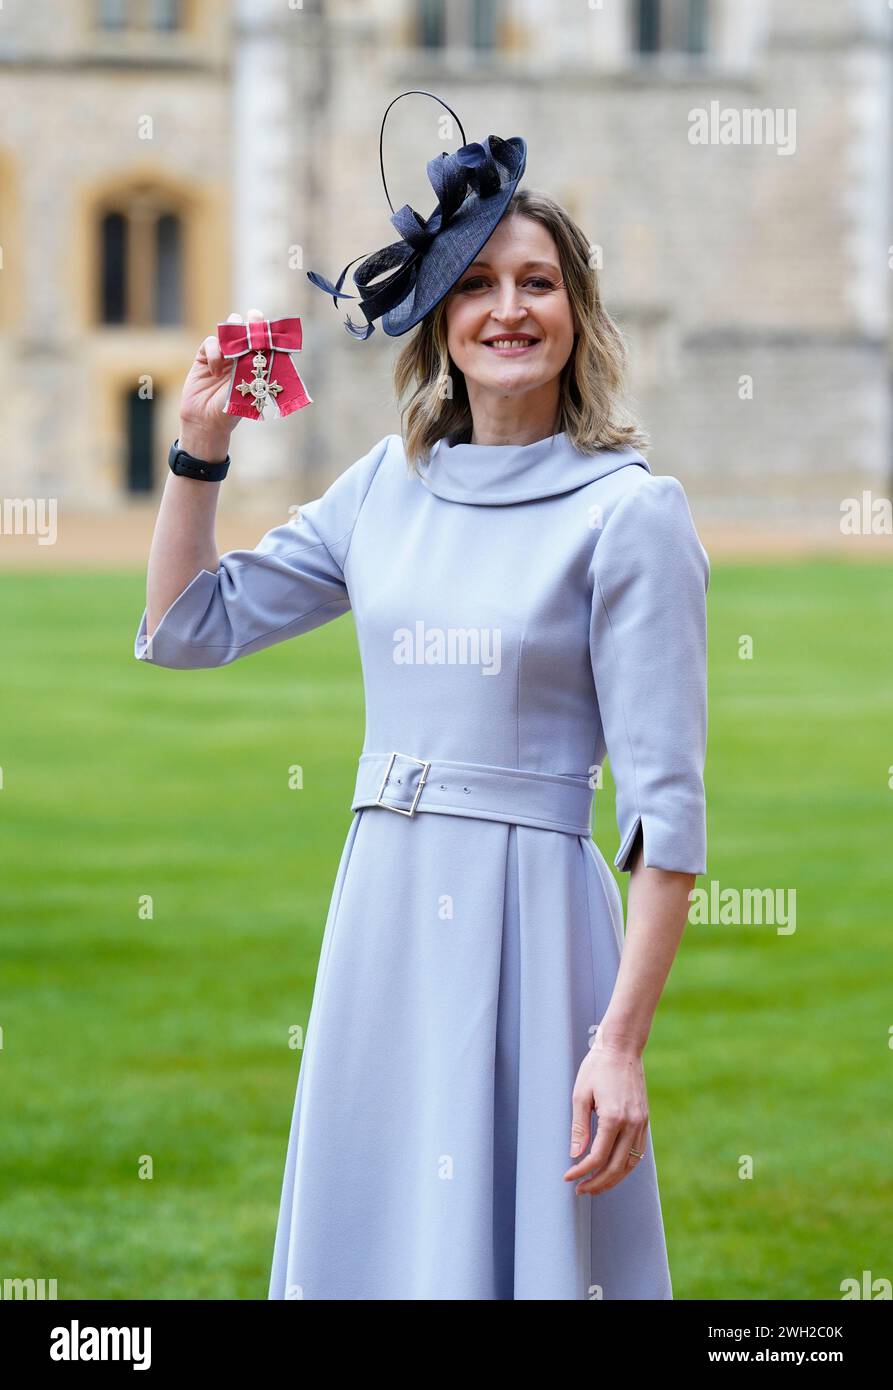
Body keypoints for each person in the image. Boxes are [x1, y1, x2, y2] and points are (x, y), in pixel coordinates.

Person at [134, 93, 709, 1300]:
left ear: (576, 314)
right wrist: (198, 453)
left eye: (538, 283)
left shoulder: (628, 512)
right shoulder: (381, 489)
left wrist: (618, 1042)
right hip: (381, 919)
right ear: (440, 319)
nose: (508, 309)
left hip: (535, 929)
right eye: (478, 285)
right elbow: (188, 631)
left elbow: (663, 817)